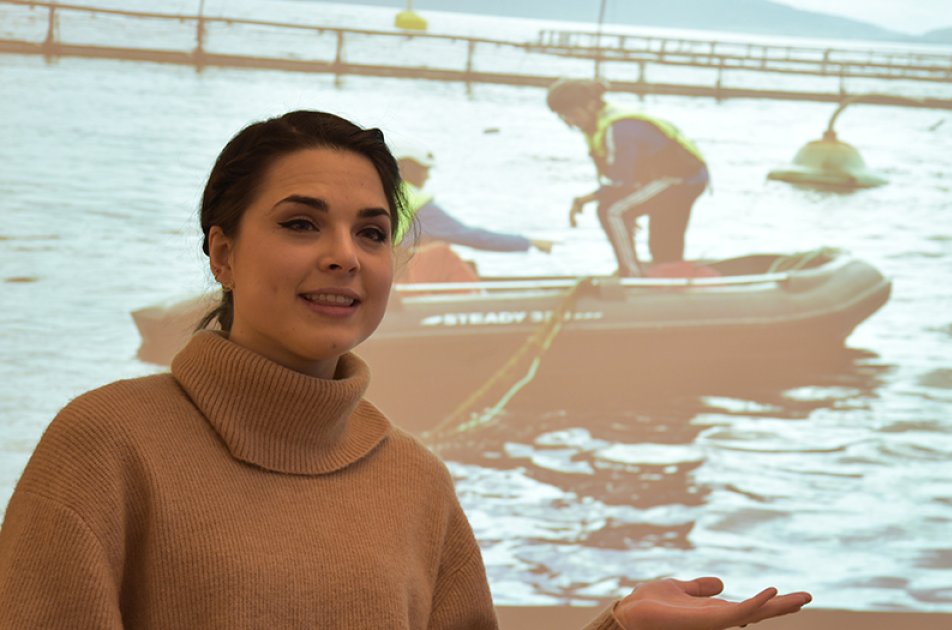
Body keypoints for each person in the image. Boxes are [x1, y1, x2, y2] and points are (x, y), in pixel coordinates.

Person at [0, 110, 810, 628]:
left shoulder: (414, 481)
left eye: (373, 232)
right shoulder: (103, 446)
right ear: (222, 251)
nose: (343, 257)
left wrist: (616, 627)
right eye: (300, 223)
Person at [547, 78, 710, 277]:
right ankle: (668, 272)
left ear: (590, 105)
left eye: (573, 114)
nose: (570, 122)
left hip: (681, 180)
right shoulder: (598, 123)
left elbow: (619, 184)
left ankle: (630, 275)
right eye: (563, 116)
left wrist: (583, 200)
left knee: (612, 211)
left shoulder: (619, 129)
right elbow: (620, 179)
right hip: (676, 180)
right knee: (661, 246)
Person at [393, 142, 553, 254]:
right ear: (408, 168)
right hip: (393, 271)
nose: (427, 176)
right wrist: (528, 242)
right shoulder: (417, 203)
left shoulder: (384, 191)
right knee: (442, 254)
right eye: (424, 169)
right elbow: (471, 237)